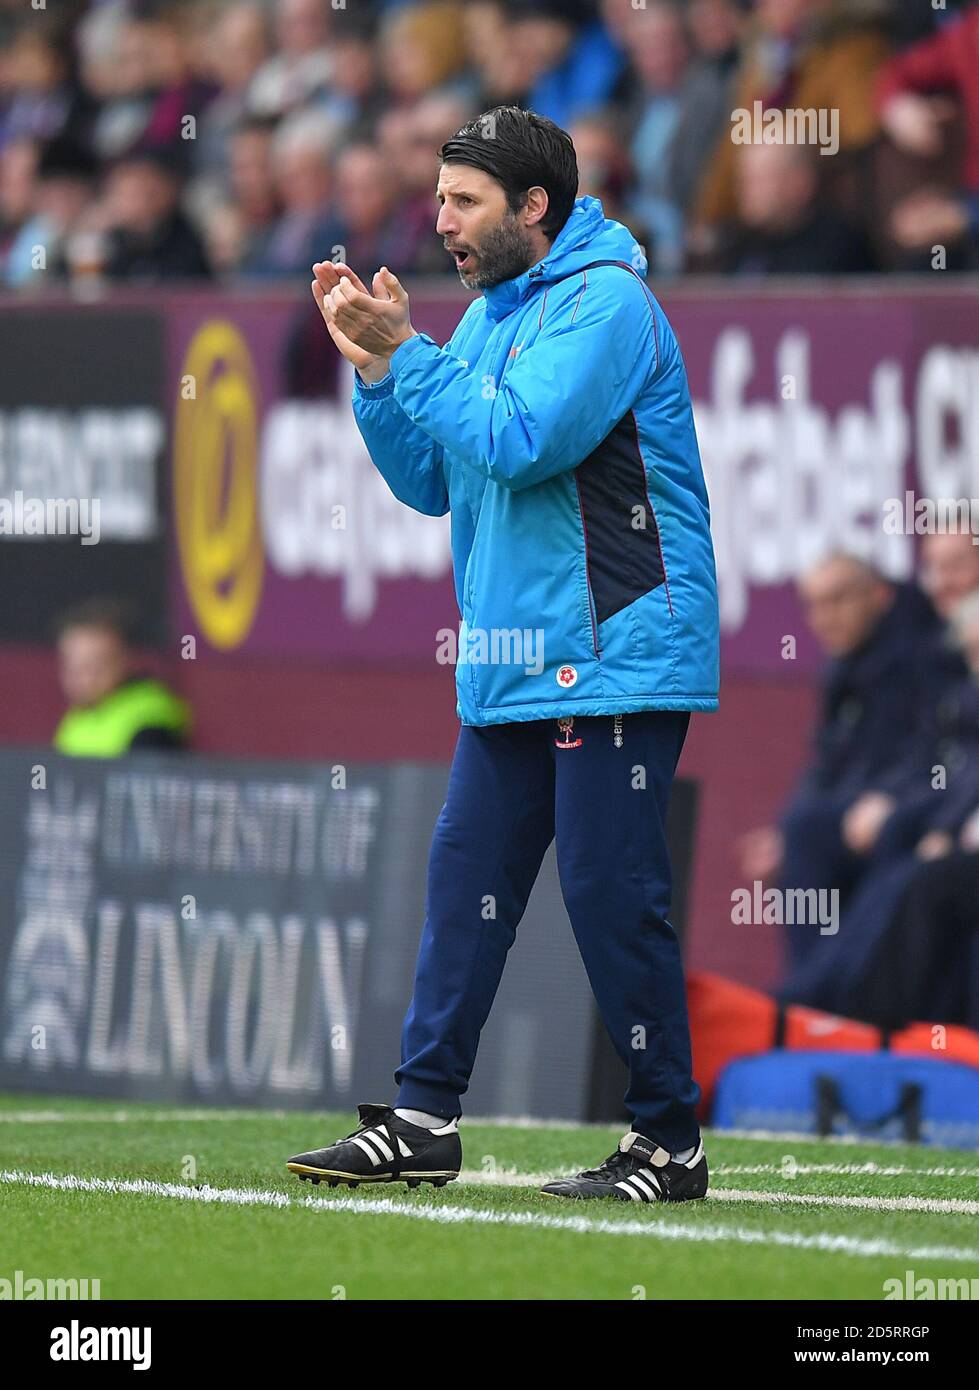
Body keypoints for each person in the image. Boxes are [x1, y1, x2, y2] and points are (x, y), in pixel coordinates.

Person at [286, 105, 719, 1204]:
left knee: (607, 891)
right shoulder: (483, 318)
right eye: (438, 200)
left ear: (536, 206)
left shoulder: (609, 305)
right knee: (465, 883)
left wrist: (413, 357)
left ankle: (668, 1141)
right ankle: (423, 1119)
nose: (440, 223)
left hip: (614, 651)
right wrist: (382, 378)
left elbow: (519, 440)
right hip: (511, 661)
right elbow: (437, 479)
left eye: (463, 202)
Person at [53, 601, 191, 757]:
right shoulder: (76, 719)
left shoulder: (150, 720)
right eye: (73, 666)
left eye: (94, 665)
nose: (81, 677)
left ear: (126, 660)